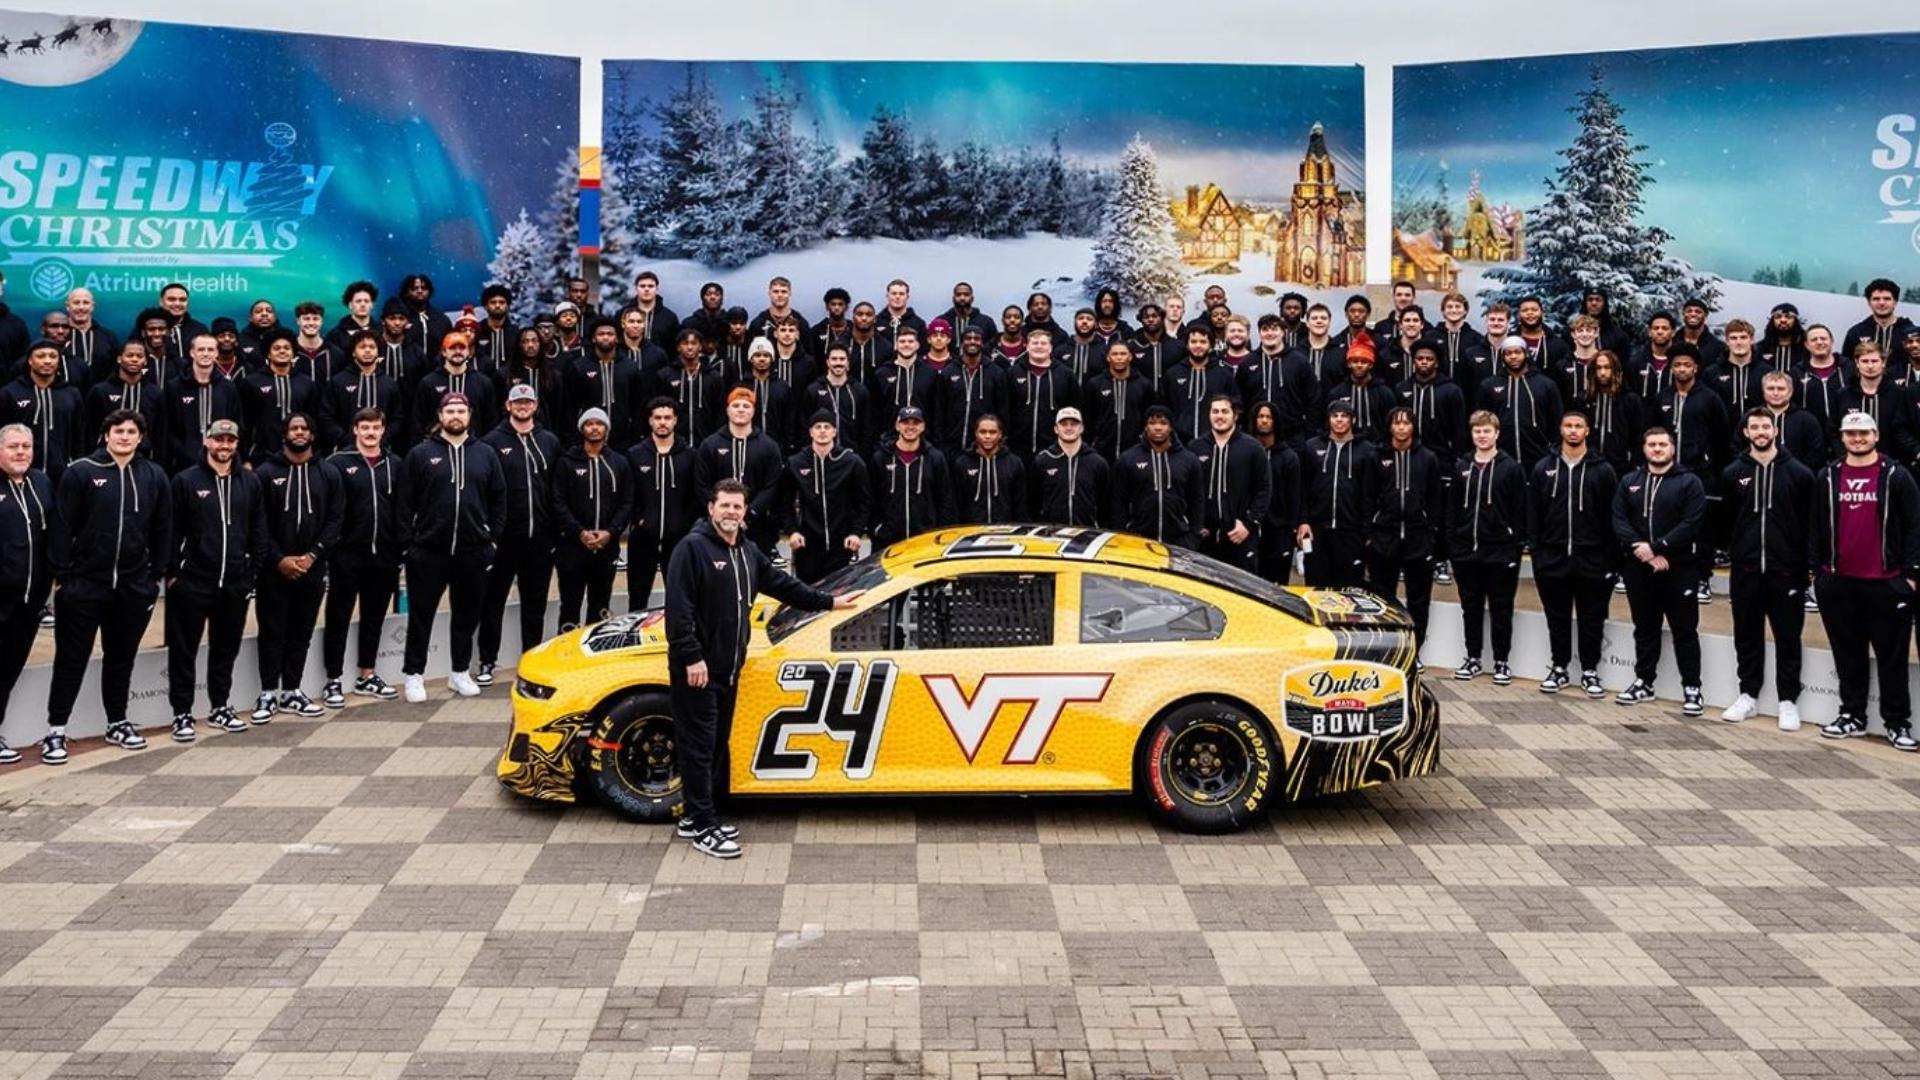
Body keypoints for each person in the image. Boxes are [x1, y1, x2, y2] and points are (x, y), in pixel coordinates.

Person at [667, 478, 857, 858]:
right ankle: (704, 826)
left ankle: (695, 815)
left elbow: (785, 587)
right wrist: (691, 657)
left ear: (744, 512)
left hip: (729, 667)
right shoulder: (691, 549)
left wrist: (831, 603)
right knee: (699, 747)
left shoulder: (747, 552)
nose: (731, 513)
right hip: (698, 669)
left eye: (738, 507)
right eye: (725, 506)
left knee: (716, 745)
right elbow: (679, 610)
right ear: (711, 508)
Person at [44, 410, 172, 762]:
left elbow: (163, 529)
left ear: (141, 437)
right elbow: (61, 526)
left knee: (121, 659)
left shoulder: (153, 475)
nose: (125, 437)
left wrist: (152, 577)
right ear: (106, 435)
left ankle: (117, 722)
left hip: (132, 587)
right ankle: (55, 730)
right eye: (119, 430)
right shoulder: (82, 471)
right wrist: (65, 577)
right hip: (84, 587)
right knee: (72, 659)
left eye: (132, 431)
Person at [1810, 411, 1920, 748]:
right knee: (1848, 655)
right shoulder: (1827, 476)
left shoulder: (1896, 475)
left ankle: (1897, 723)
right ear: (1842, 438)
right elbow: (1815, 524)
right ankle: (1852, 716)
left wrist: (1910, 576)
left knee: (1892, 658)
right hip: (1839, 582)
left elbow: (1915, 525)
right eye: (1851, 434)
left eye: (1863, 434)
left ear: (1876, 435)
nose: (1857, 439)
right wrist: (1819, 572)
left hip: (1886, 582)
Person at [165, 418, 267, 740]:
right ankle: (182, 713)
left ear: (237, 445)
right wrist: (173, 574)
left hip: (234, 583)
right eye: (219, 440)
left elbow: (258, 531)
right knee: (184, 651)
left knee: (226, 649)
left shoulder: (249, 482)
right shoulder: (185, 481)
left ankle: (220, 707)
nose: (224, 446)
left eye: (230, 441)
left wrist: (251, 573)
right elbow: (171, 531)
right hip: (193, 583)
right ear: (207, 441)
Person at [400, 393, 506, 704]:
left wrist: (492, 538)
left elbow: (499, 500)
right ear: (440, 415)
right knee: (421, 616)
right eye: (450, 410)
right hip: (428, 551)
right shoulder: (420, 454)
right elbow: (404, 503)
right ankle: (414, 675)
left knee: (466, 616)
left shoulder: (485, 453)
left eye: (461, 410)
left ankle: (459, 672)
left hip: (473, 551)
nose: (456, 415)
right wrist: (410, 545)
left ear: (470, 414)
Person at [1719, 408, 1814, 730]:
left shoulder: (1800, 473)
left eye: (1765, 426)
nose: (1760, 432)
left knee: (1788, 637)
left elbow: (1808, 524)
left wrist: (1804, 566)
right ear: (1746, 432)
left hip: (1786, 571)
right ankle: (1748, 695)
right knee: (1746, 636)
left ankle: (1788, 701)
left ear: (1775, 430)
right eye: (1754, 427)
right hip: (1745, 570)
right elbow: (1726, 522)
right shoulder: (1733, 473)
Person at [251, 414, 342, 722]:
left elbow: (335, 520)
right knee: (272, 631)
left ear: (312, 435)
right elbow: (258, 523)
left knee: (301, 631)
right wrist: (279, 559)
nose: (299, 433)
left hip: (312, 567)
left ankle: (292, 690)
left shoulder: (328, 472)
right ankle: (267, 693)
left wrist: (312, 556)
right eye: (294, 428)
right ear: (284, 434)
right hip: (273, 569)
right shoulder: (264, 474)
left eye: (305, 428)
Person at [1611, 426, 1706, 715]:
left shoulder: (1689, 482)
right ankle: (1644, 682)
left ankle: (1692, 688)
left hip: (1680, 569)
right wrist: (1645, 551)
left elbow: (1692, 523)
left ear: (1672, 448)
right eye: (1651, 444)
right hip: (1640, 566)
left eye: (1662, 444)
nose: (1657, 449)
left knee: (1684, 631)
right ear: (1644, 448)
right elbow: (1618, 518)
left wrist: (1659, 547)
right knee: (1645, 628)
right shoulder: (1630, 481)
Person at [1529, 411, 1617, 698]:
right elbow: (1534, 515)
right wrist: (1539, 555)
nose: (1573, 431)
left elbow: (1611, 517)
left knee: (1592, 618)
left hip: (1592, 559)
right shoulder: (1543, 467)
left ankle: (1589, 671)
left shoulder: (1603, 470)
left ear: (1587, 431)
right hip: (1552, 559)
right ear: (1560, 429)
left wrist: (1609, 560)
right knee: (1558, 617)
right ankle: (1559, 668)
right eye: (1568, 425)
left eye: (1578, 426)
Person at [322, 407, 407, 704]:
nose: (371, 433)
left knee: (374, 618)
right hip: (346, 556)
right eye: (365, 428)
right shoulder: (336, 464)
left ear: (383, 430)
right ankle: (332, 680)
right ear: (355, 430)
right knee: (338, 617)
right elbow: (329, 512)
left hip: (383, 555)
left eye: (376, 428)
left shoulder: (395, 464)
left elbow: (402, 510)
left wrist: (400, 547)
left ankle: (367, 676)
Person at [477, 383, 560, 683]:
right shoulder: (491, 442)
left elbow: (555, 489)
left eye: (528, 401)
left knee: (534, 603)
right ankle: (488, 661)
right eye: (517, 402)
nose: (523, 406)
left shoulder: (549, 441)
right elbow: (485, 490)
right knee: (493, 600)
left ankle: (531, 661)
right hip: (503, 538)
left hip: (540, 537)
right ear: (508, 406)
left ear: (535, 406)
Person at [1449, 411, 1525, 684]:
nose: (1482, 436)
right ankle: (1473, 658)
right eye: (1477, 431)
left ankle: (1502, 661)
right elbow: (1453, 508)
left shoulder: (1511, 467)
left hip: (1500, 552)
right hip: (1466, 551)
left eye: (1487, 431)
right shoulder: (1462, 466)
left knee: (1501, 608)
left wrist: (1513, 542)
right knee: (1471, 607)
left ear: (1497, 434)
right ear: (1472, 434)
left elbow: (1519, 509)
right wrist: (1455, 542)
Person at [1365, 407, 1442, 651]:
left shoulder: (1428, 458)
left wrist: (1431, 535)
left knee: (1419, 601)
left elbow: (1435, 499)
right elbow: (1366, 498)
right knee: (1382, 600)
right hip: (1383, 538)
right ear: (1390, 427)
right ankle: (1385, 649)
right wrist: (1370, 535)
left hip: (1418, 539)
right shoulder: (1376, 456)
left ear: (1413, 427)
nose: (1401, 428)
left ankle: (1414, 651)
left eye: (1406, 423)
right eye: (1396, 423)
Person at [553, 408, 632, 632]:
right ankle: (566, 660)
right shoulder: (566, 462)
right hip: (572, 546)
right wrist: (579, 532)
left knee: (600, 607)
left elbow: (627, 502)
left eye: (599, 423)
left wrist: (611, 532)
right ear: (582, 429)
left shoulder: (620, 463)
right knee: (570, 606)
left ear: (606, 429)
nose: (594, 428)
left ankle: (593, 661)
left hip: (607, 547)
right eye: (589, 424)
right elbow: (558, 502)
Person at [0, 424, 52, 763]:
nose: (21, 452)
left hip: (31, 601)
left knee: (7, 670)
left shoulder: (42, 483)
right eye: (13, 447)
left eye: (26, 446)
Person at [695, 387, 785, 555]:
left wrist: (748, 513)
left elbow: (772, 485)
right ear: (728, 410)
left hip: (757, 526)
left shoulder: (769, 446)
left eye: (746, 406)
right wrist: (720, 512)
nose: (741, 410)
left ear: (753, 411)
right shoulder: (710, 445)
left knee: (756, 577)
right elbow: (702, 484)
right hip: (716, 526)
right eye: (736, 406)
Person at [783, 410, 869, 582]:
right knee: (808, 596)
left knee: (840, 593)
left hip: (842, 542)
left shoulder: (851, 462)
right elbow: (784, 503)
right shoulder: (796, 462)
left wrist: (856, 532)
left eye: (827, 427)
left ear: (834, 431)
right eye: (818, 427)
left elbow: (864, 502)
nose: (822, 431)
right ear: (810, 432)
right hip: (807, 543)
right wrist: (792, 531)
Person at [628, 397, 696, 613]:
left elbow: (696, 495)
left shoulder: (690, 455)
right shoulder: (635, 454)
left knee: (681, 599)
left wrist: (685, 525)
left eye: (667, 417)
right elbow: (628, 494)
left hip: (679, 539)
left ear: (675, 420)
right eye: (657, 418)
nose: (662, 422)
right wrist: (638, 520)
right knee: (637, 599)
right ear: (650, 421)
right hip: (643, 537)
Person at [1299, 399, 1373, 588]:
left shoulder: (1367, 451)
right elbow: (1303, 488)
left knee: (1348, 592)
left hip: (1351, 532)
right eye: (1335, 416)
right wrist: (1303, 521)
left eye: (1344, 416)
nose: (1339, 420)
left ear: (1352, 420)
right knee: (1316, 589)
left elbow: (1370, 495)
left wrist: (1366, 531)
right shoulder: (1312, 447)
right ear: (1328, 419)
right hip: (1317, 531)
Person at [1188, 397, 1267, 569]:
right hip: (1205, 539)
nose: (1219, 416)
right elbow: (1188, 491)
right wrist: (1196, 525)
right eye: (1215, 411)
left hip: (1240, 535)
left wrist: (1248, 522)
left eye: (1225, 411)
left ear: (1235, 415)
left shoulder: (1252, 448)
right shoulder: (1195, 448)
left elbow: (1263, 489)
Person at [1114, 404, 1202, 549]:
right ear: (1145, 427)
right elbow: (1119, 501)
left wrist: (1193, 537)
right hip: (1138, 540)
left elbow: (1197, 500)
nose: (1158, 428)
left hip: (1179, 541)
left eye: (1163, 423)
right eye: (1152, 423)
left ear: (1171, 427)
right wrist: (1123, 534)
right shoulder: (1128, 459)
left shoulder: (1189, 460)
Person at [0, 339, 84, 480]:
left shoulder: (71, 394)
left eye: (53, 356)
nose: (47, 361)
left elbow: (80, 433)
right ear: (30, 361)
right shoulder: (10, 393)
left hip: (63, 472)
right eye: (40, 356)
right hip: (20, 472)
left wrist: (76, 464)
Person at [869, 406, 953, 546]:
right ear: (897, 426)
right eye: (905, 422)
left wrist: (938, 532)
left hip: (925, 539)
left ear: (923, 427)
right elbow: (871, 497)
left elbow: (945, 499)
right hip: (887, 539)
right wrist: (877, 529)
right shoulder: (881, 458)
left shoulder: (935, 458)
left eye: (916, 423)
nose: (910, 427)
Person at [163, 333, 244, 473]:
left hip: (220, 461)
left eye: (210, 350)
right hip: (183, 464)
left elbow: (237, 423)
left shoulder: (227, 387)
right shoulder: (174, 387)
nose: (206, 354)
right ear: (192, 353)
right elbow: (167, 427)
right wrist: (182, 453)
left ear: (217, 353)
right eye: (201, 350)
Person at [1248, 401, 1302, 582]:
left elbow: (1294, 498)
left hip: (1279, 533)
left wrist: (1290, 533)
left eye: (1268, 417)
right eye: (1260, 416)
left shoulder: (1289, 457)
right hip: (1249, 530)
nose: (1264, 421)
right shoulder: (1244, 452)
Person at [1033, 407, 1109, 527]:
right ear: (1056, 429)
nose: (1069, 428)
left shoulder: (1097, 462)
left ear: (1082, 428)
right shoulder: (1042, 461)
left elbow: (1104, 504)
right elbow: (1034, 501)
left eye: (1073, 424)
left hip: (1088, 533)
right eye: (1064, 424)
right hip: (1051, 535)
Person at [952, 413, 1025, 527]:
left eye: (992, 432)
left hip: (1005, 531)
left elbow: (1020, 504)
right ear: (976, 433)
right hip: (970, 532)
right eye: (983, 432)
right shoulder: (962, 463)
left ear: (1000, 434)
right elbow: (955, 504)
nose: (987, 436)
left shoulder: (1014, 463)